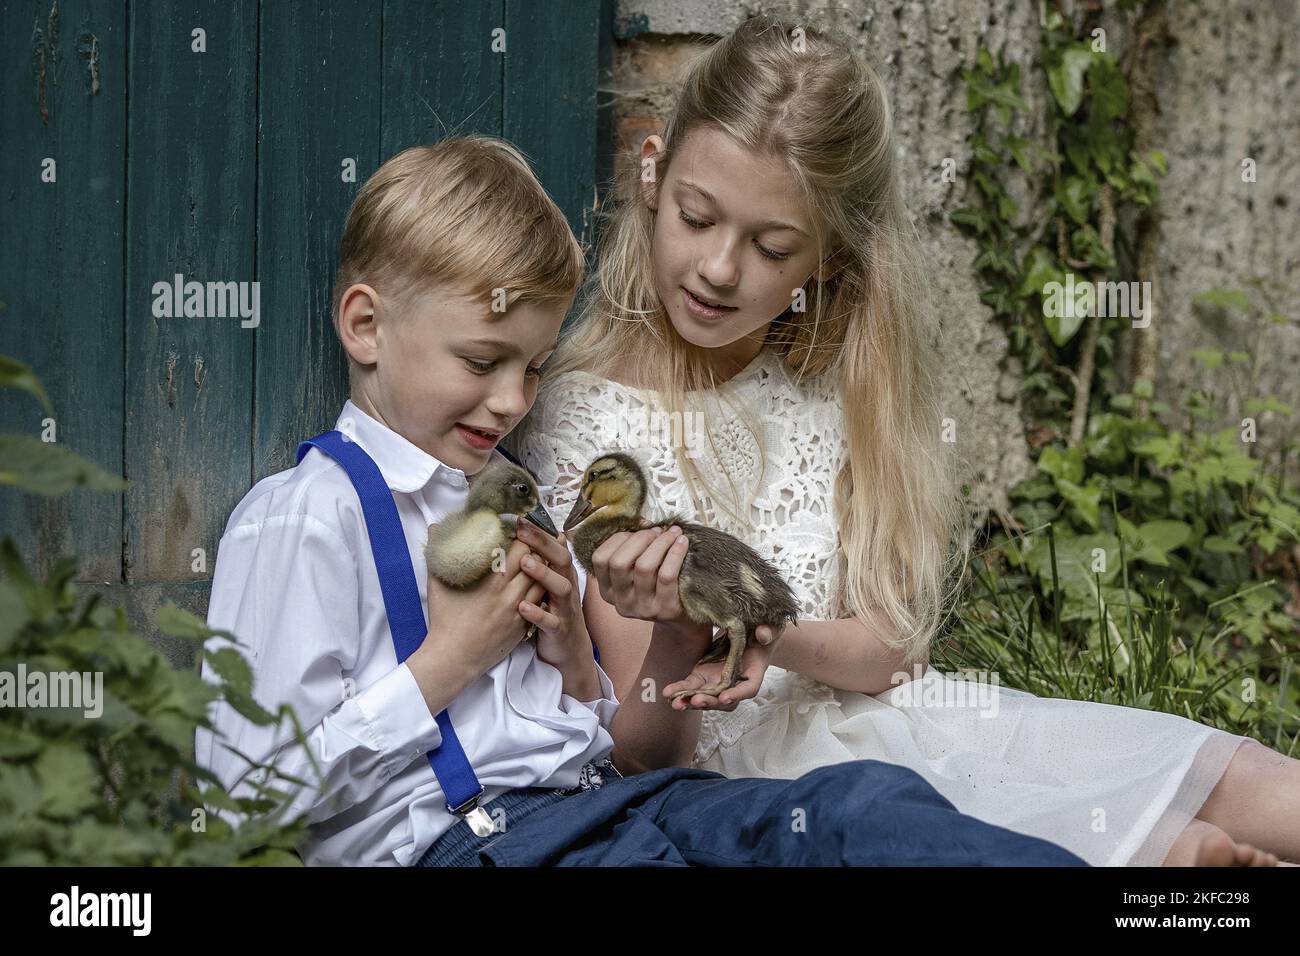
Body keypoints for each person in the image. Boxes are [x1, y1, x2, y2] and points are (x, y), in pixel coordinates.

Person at [505, 14, 1296, 867]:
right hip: (769, 790)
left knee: (1236, 776)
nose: (720, 268)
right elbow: (644, 757)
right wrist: (682, 630)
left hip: (903, 717)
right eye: (698, 218)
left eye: (772, 246)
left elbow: (891, 652)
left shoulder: (833, 384)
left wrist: (768, 633)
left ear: (827, 256)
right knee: (1157, 849)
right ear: (652, 174)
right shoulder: (583, 421)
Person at [194, 133, 1087, 867]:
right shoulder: (309, 515)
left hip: (623, 804)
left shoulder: (516, 497)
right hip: (477, 844)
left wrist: (574, 657)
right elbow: (241, 796)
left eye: (534, 368)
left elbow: (604, 743)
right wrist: (449, 662)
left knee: (864, 810)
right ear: (365, 325)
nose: (513, 400)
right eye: (481, 362)